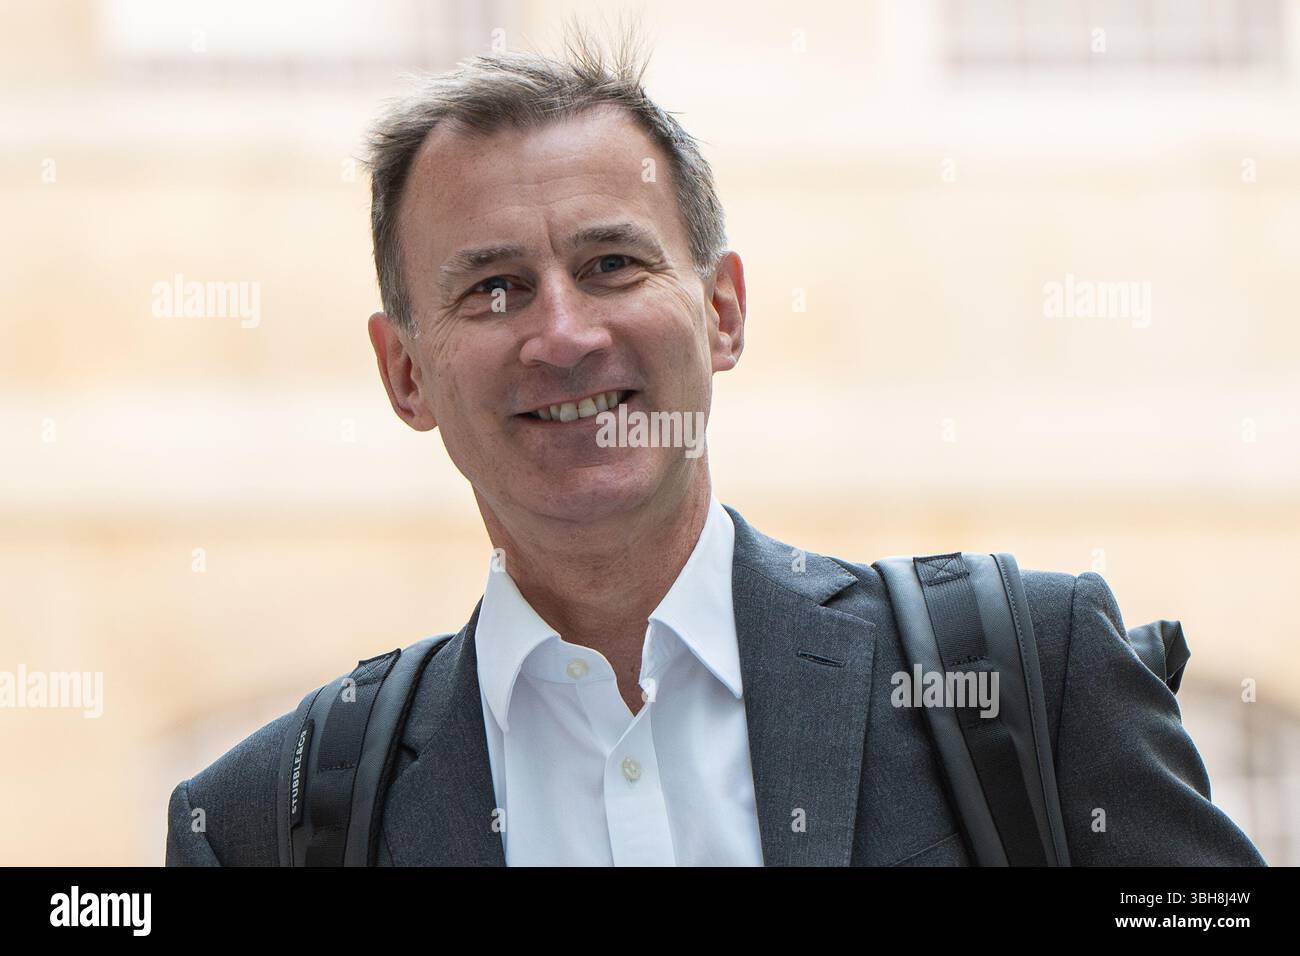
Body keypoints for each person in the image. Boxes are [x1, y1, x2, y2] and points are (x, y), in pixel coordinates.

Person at [165, 27, 1264, 867]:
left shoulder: (1032, 672)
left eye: (612, 265)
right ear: (405, 372)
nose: (564, 333)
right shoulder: (266, 821)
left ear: (723, 309)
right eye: (493, 287)